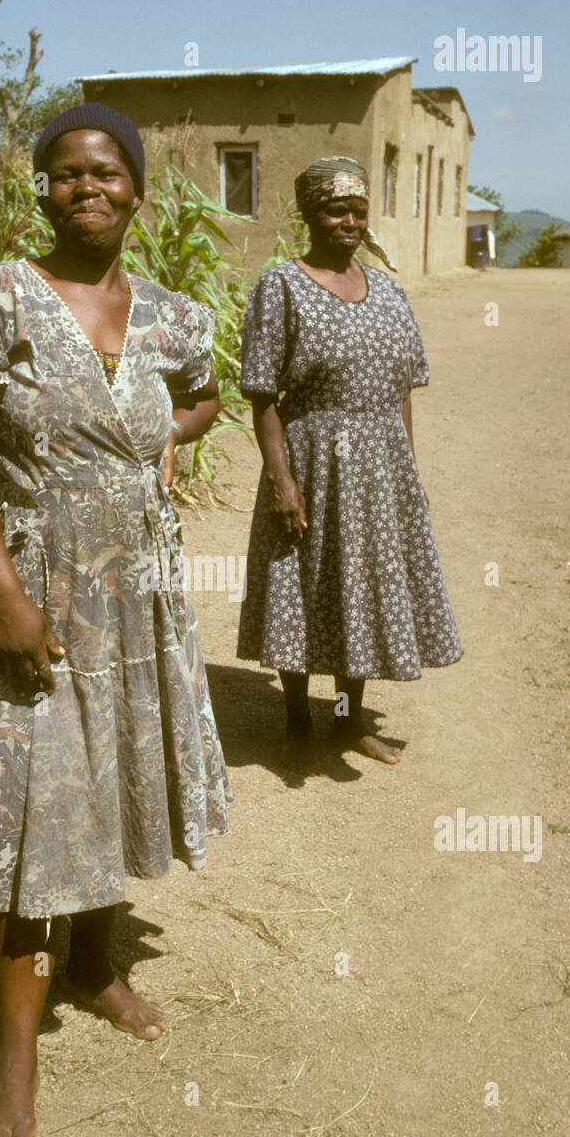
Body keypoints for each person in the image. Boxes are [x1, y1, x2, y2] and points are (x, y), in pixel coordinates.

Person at [0, 103, 231, 1137]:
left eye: (105, 172)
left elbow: (205, 395)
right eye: (63, 173)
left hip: (138, 590)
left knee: (121, 776)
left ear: (138, 192)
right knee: (35, 814)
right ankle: (14, 1058)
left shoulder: (174, 315)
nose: (84, 188)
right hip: (37, 589)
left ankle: (92, 969)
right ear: (40, 189)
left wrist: (157, 445)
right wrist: (1, 594)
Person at [236, 155, 462, 770]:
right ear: (310, 214)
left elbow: (403, 392)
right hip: (310, 461)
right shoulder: (281, 285)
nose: (349, 222)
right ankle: (297, 721)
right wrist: (282, 481)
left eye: (358, 211)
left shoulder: (389, 290)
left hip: (378, 466)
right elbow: (261, 395)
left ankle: (348, 721)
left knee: (357, 587)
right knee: (301, 586)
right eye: (336, 210)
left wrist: (406, 475)